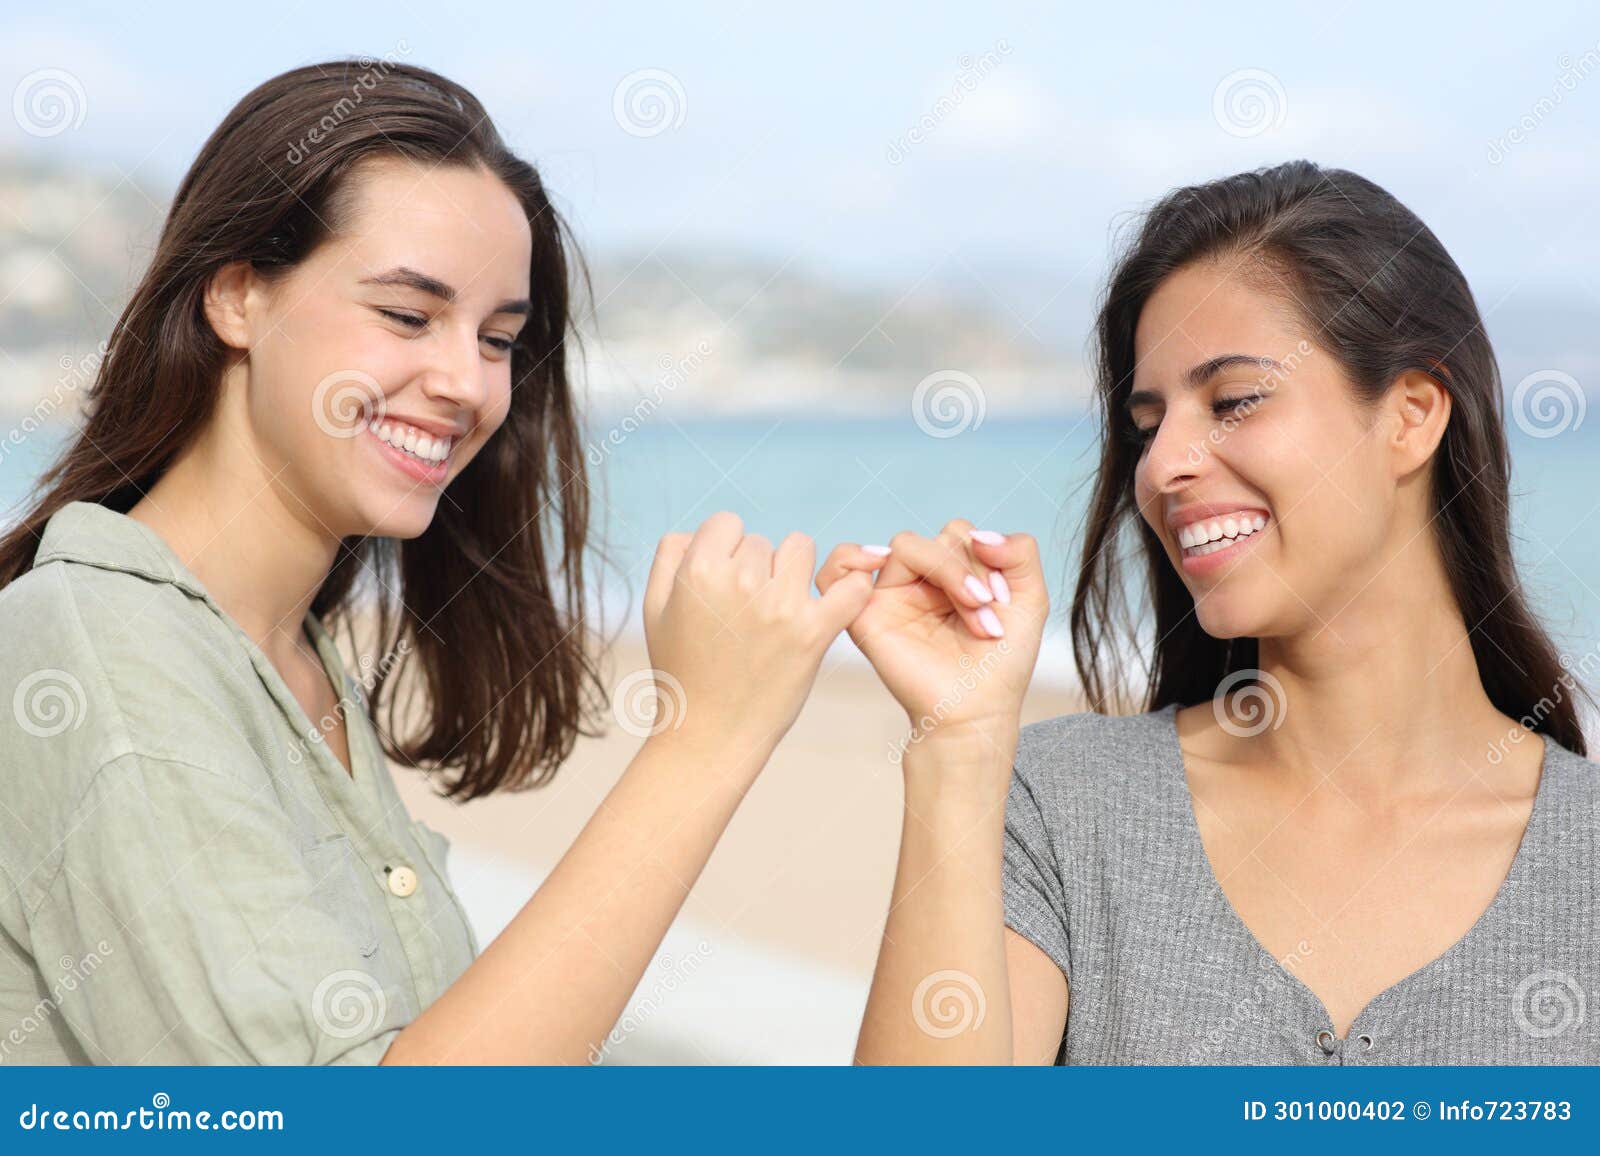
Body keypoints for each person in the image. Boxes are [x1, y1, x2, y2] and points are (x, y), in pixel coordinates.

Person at [0, 60, 874, 1065]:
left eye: (499, 338)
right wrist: (705, 736)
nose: (466, 383)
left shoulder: (290, 656)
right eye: (407, 316)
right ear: (236, 296)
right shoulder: (104, 654)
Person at [828, 161, 1598, 1065]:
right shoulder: (1062, 809)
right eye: (1148, 424)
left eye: (1233, 400)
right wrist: (958, 751)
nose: (1161, 468)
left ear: (1412, 416)